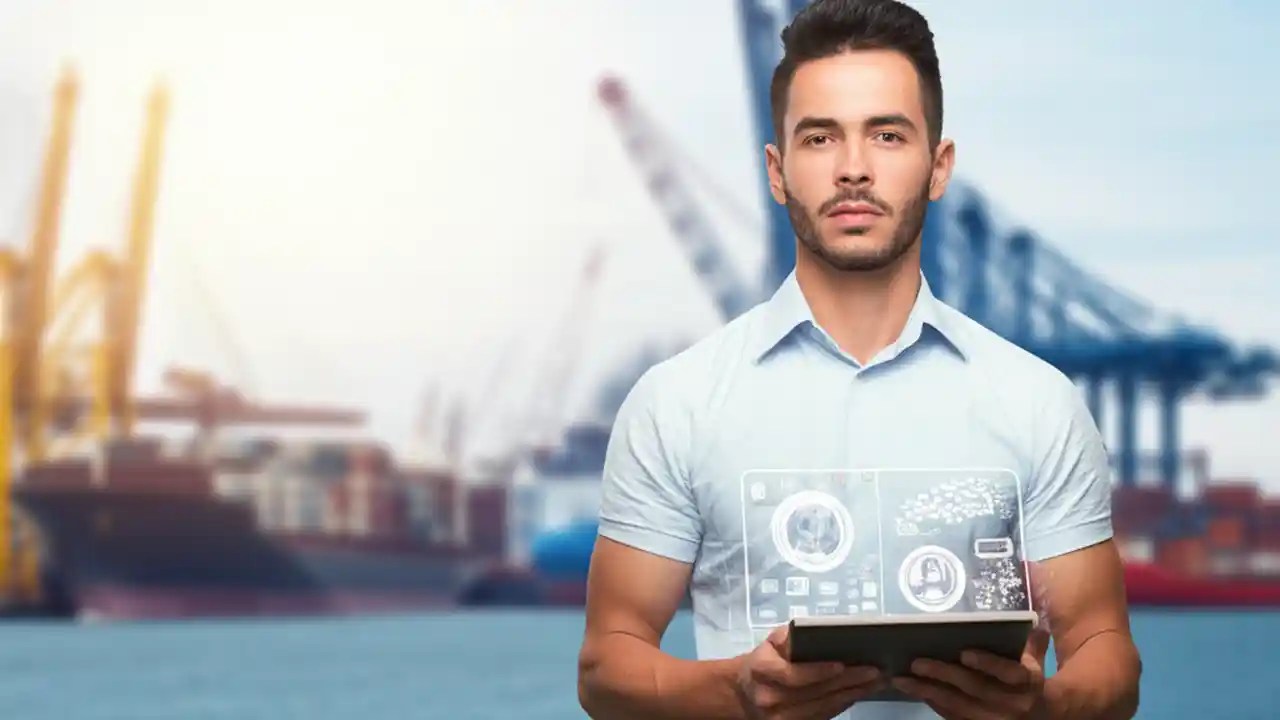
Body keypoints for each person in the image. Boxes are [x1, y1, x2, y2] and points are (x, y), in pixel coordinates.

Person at [576, 0, 1142, 718]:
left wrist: (1042, 709)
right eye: (820, 138)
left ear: (939, 167)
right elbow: (605, 665)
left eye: (887, 135)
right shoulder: (676, 402)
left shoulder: (1037, 401)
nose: (852, 169)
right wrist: (737, 691)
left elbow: (1109, 654)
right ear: (777, 173)